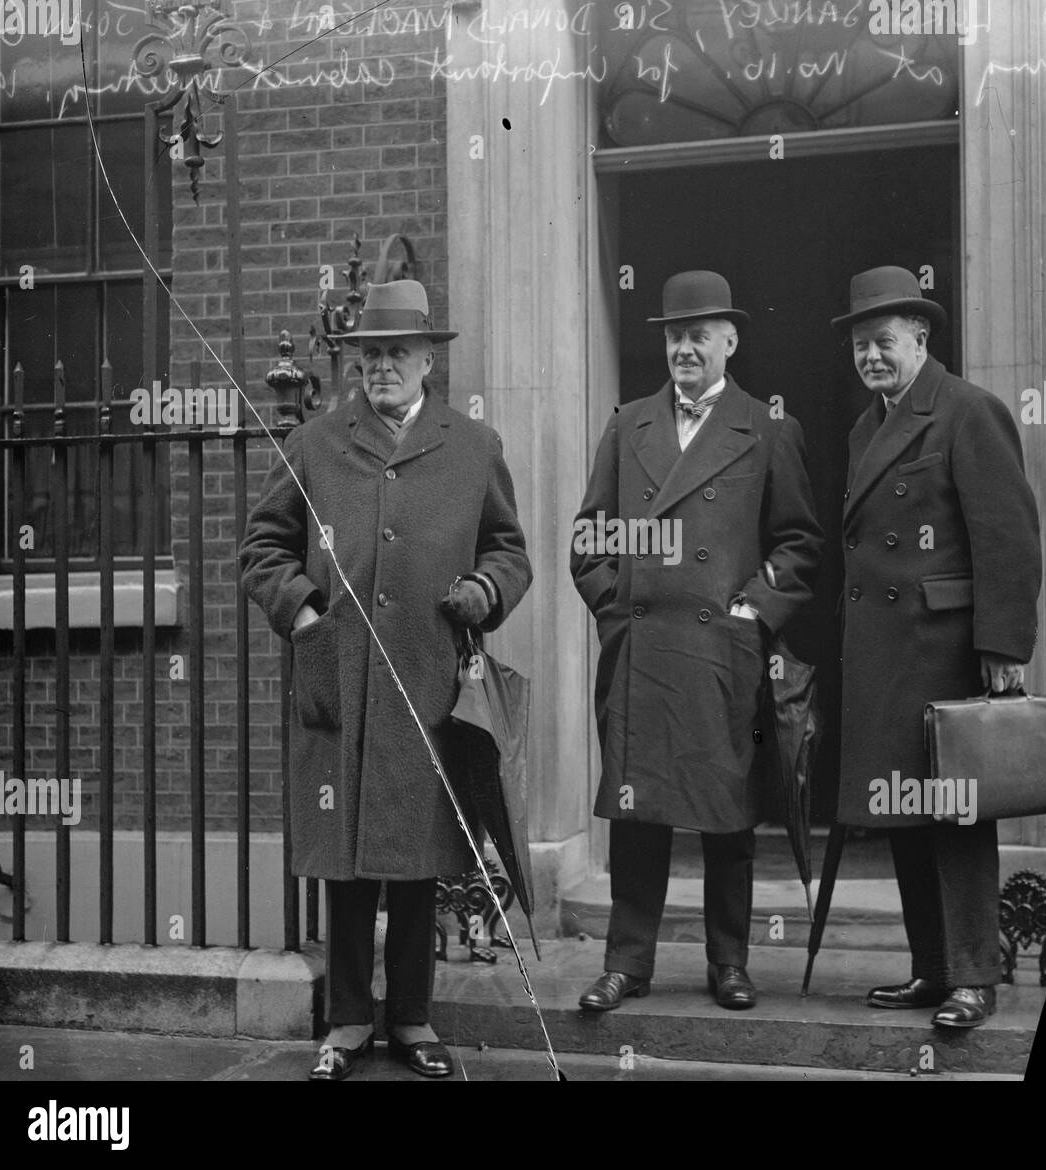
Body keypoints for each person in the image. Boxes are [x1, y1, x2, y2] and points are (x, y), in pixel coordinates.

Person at [240, 280, 532, 1078]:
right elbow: (262, 548)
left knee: (417, 859)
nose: (382, 369)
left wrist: (484, 591)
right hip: (342, 680)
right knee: (346, 860)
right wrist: (304, 613)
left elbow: (510, 552)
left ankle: (410, 1019)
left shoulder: (474, 447)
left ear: (429, 359)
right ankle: (345, 1022)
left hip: (427, 681)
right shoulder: (315, 445)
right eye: (368, 355)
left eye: (397, 353)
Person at [570, 270, 822, 1012]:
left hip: (722, 651)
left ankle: (729, 964)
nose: (685, 347)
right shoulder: (629, 425)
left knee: (727, 813)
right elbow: (591, 540)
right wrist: (617, 609)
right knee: (636, 807)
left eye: (699, 335)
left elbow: (800, 543)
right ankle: (627, 962)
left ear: (730, 341)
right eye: (675, 335)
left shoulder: (768, 428)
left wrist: (753, 609)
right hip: (643, 649)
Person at [831, 266, 1042, 1028]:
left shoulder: (967, 412)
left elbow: (1008, 538)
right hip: (889, 655)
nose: (871, 358)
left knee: (957, 818)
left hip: (948, 652)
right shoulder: (867, 427)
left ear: (920, 338)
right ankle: (931, 970)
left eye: (883, 342)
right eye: (860, 346)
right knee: (905, 812)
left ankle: (974, 978)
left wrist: (1004, 646)